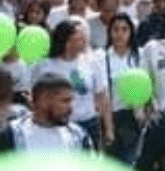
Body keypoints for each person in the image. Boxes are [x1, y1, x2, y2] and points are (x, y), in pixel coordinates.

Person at [31, 20, 113, 149]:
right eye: (79, 37)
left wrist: (108, 129)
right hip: (58, 125)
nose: (84, 40)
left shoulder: (92, 62)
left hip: (88, 123)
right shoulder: (45, 66)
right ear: (67, 41)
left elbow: (102, 96)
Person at [0, 73, 93, 152]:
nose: (70, 108)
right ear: (43, 100)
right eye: (65, 101)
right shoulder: (12, 135)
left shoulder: (78, 136)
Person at [99, 13, 143, 163]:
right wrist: (108, 128)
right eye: (115, 29)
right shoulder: (102, 57)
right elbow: (101, 92)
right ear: (109, 32)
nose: (120, 34)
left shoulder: (140, 56)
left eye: (124, 30)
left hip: (134, 118)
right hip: (110, 115)